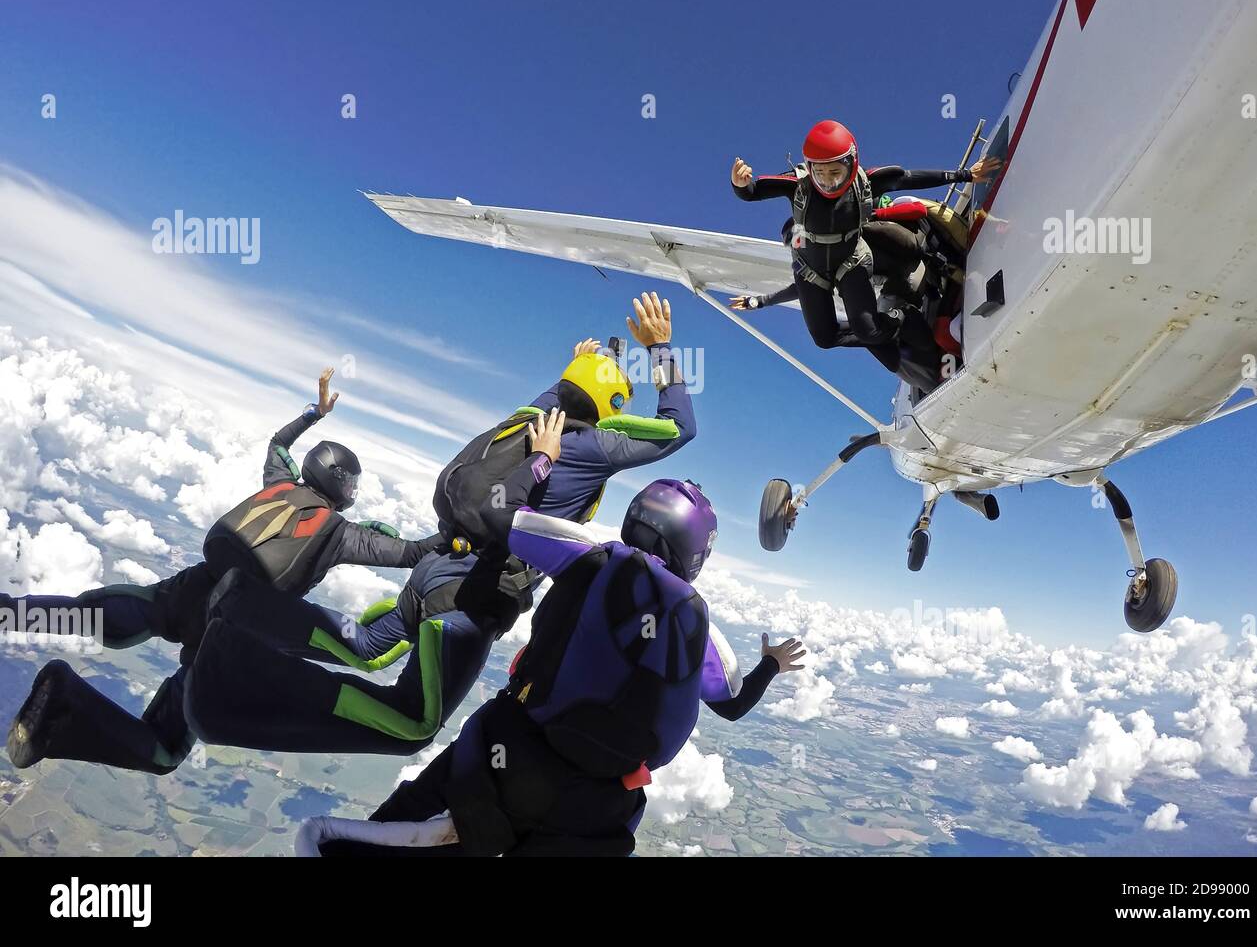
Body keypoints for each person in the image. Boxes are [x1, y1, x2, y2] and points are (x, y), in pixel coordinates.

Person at [181, 293, 706, 759]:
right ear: (613, 409)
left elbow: (561, 394)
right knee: (412, 724)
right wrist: (660, 347)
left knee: (367, 644)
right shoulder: (593, 448)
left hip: (435, 569)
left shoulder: (522, 419)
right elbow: (680, 426)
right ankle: (231, 695)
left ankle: (241, 604)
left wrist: (582, 364)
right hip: (470, 599)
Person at [295, 408, 806, 857]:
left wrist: (541, 458)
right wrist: (772, 664)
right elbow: (733, 704)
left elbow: (497, 513)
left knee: (354, 843)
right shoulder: (700, 623)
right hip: (597, 815)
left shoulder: (591, 553)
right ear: (696, 550)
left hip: (507, 759)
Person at [3, 369, 443, 775]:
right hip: (232, 626)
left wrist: (314, 413)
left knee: (95, 615)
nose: (352, 493)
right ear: (340, 482)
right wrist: (467, 541)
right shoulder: (342, 533)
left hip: (193, 586)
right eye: (351, 484)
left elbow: (277, 445)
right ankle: (63, 706)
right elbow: (414, 553)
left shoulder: (280, 483)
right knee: (164, 748)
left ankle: (10, 613)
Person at [730, 120, 1000, 384]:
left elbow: (908, 178)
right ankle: (897, 333)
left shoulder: (867, 183)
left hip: (852, 261)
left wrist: (964, 175)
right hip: (812, 273)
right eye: (820, 173)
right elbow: (754, 192)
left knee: (870, 332)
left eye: (835, 172)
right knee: (824, 339)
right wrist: (741, 185)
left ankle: (903, 318)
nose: (828, 182)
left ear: (851, 163)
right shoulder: (798, 187)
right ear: (810, 168)